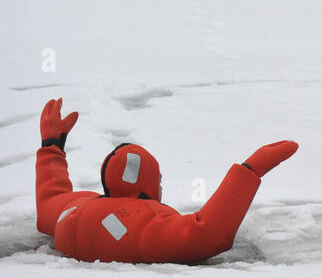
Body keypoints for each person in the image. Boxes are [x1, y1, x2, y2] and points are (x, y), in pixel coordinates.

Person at [35, 98, 298, 263]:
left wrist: (51, 146)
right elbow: (206, 235)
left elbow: (50, 198)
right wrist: (250, 170)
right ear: (145, 179)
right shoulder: (145, 224)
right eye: (158, 179)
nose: (160, 187)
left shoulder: (76, 207)